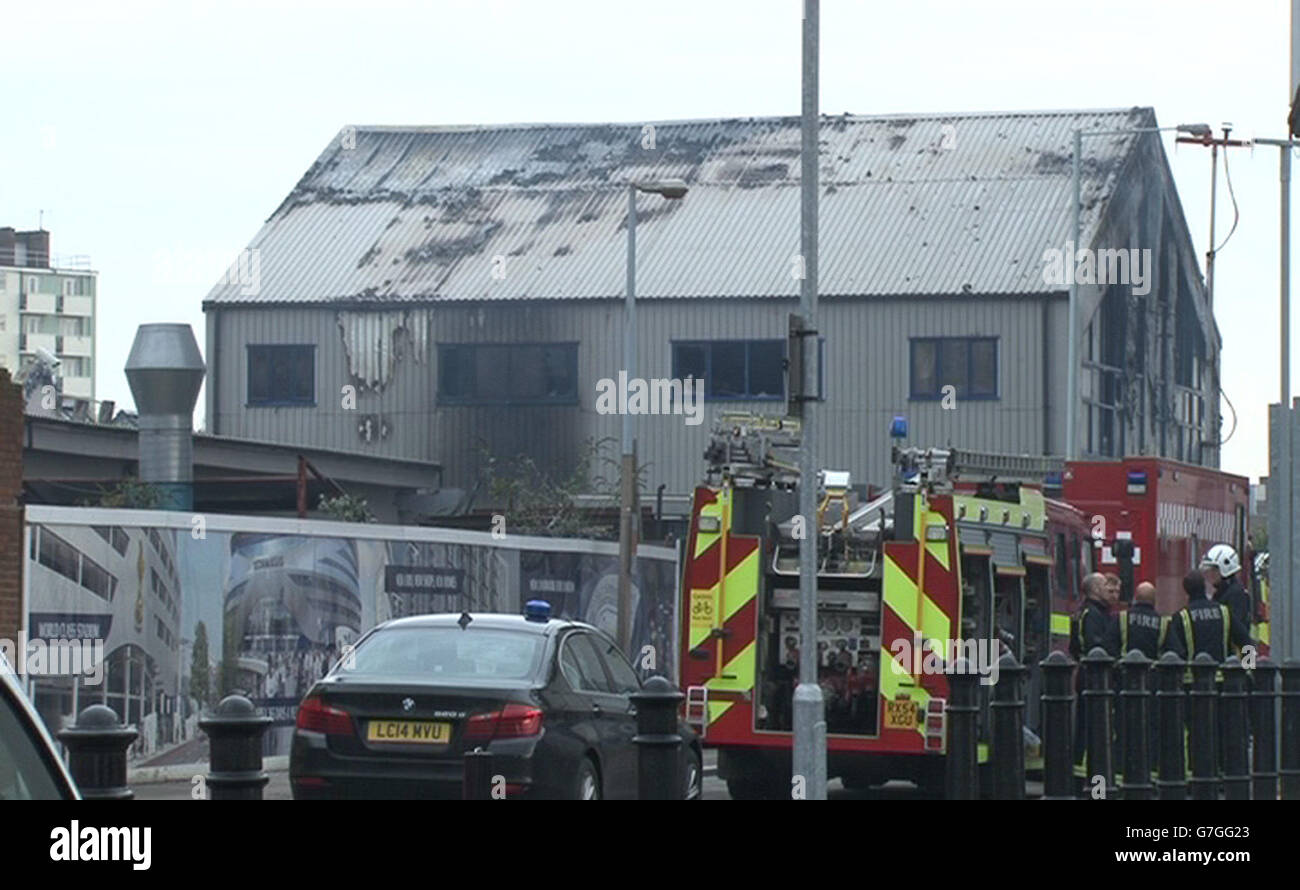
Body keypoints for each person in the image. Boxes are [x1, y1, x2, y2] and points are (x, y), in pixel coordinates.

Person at [1164, 570, 1250, 664]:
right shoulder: (1224, 612)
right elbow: (1246, 641)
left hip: (1191, 677)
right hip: (1224, 677)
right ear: (1204, 586)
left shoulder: (1181, 617)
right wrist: (1249, 669)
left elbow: (1174, 654)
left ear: (1186, 590)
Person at [1199, 545, 1253, 656]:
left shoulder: (1235, 595)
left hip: (1233, 659)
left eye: (1214, 570)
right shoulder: (1222, 593)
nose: (1210, 574)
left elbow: (1240, 634)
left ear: (1226, 568)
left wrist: (1249, 665)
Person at [1071, 572, 1119, 659]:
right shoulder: (1092, 614)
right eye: (1104, 585)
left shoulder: (1088, 610)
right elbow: (1095, 645)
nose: (1107, 589)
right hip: (1095, 667)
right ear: (1095, 589)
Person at [1119, 581, 1163, 659]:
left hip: (1126, 668)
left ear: (1136, 597)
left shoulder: (1122, 617)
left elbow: (1109, 645)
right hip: (1153, 669)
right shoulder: (1163, 622)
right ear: (1154, 599)